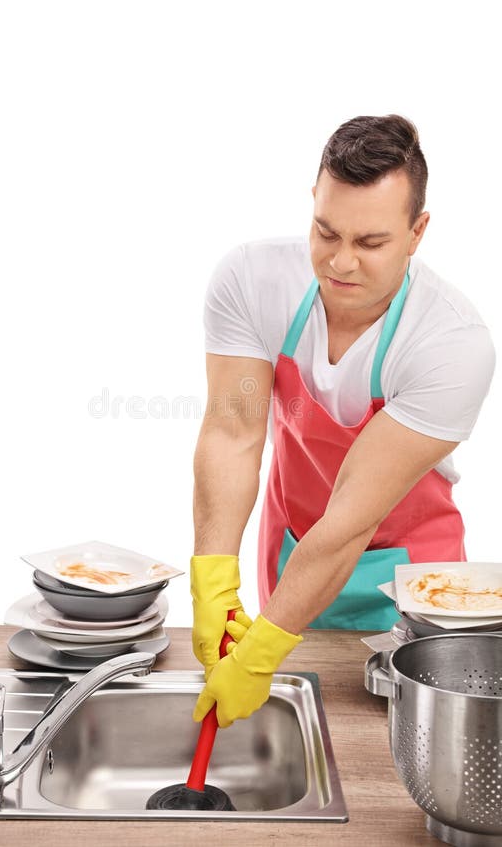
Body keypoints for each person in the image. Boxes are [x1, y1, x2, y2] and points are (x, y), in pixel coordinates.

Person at [190, 114, 496, 729]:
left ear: (417, 233)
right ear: (312, 203)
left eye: (372, 243)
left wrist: (263, 651)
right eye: (326, 232)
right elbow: (232, 433)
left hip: (416, 584)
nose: (342, 263)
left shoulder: (451, 344)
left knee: (390, 753)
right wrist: (213, 576)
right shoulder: (251, 280)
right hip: (296, 548)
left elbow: (354, 516)